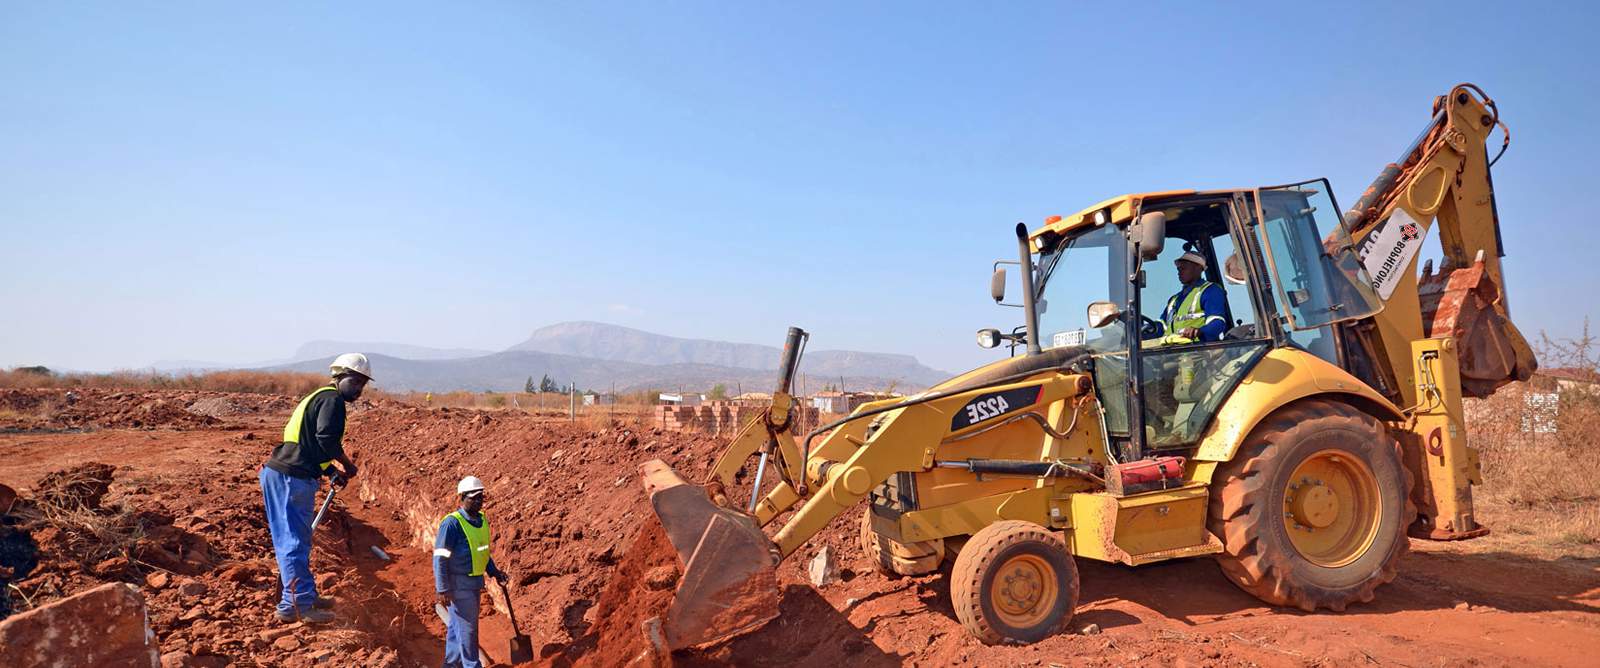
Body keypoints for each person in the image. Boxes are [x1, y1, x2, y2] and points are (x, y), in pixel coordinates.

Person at [258, 352, 372, 624]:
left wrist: (331, 471)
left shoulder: (319, 396)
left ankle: (304, 595)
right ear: (340, 377)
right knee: (294, 541)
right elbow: (325, 439)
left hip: (289, 472)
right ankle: (295, 606)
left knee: (298, 539)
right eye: (355, 382)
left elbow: (308, 446)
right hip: (290, 478)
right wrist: (345, 464)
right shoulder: (332, 400)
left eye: (362, 384)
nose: (358, 390)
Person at [435, 476, 509, 668]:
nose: (478, 501)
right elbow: (440, 557)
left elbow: (482, 551)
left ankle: (451, 664)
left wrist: (494, 572)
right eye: (473, 497)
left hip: (474, 583)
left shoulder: (481, 520)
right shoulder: (452, 524)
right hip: (458, 586)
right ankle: (472, 665)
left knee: (456, 627)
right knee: (468, 630)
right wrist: (442, 588)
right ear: (462, 498)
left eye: (481, 497)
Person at [1151, 251, 1227, 345]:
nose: (1179, 272)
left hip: (1198, 352)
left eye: (1184, 268)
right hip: (1171, 352)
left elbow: (1217, 322)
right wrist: (1144, 330)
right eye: (1178, 269)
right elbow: (1161, 326)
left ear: (1198, 268)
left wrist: (1198, 331)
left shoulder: (1210, 291)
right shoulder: (1174, 299)